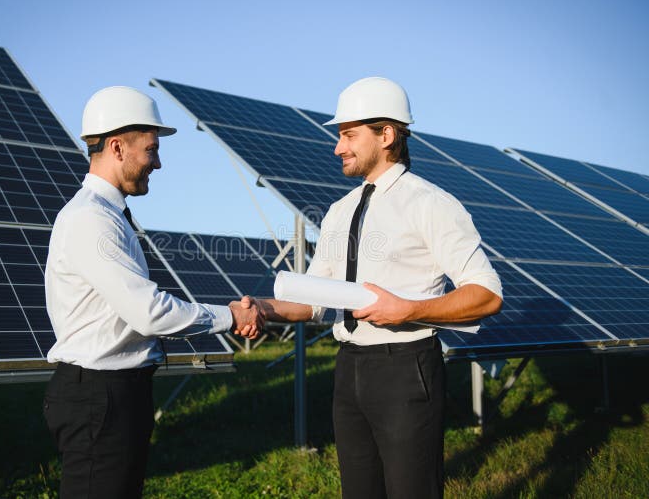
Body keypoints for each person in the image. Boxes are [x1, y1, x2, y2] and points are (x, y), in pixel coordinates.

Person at [244, 77, 503, 498]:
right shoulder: (338, 211)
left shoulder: (431, 203)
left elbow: (487, 294)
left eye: (348, 135)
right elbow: (314, 302)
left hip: (406, 369)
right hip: (348, 371)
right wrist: (262, 308)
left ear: (386, 135)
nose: (338, 147)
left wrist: (408, 309)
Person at [42, 86, 264, 499]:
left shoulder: (107, 215)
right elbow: (148, 312)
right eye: (151, 149)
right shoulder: (91, 219)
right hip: (99, 396)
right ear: (116, 147)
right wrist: (232, 316)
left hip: (112, 393)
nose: (158, 163)